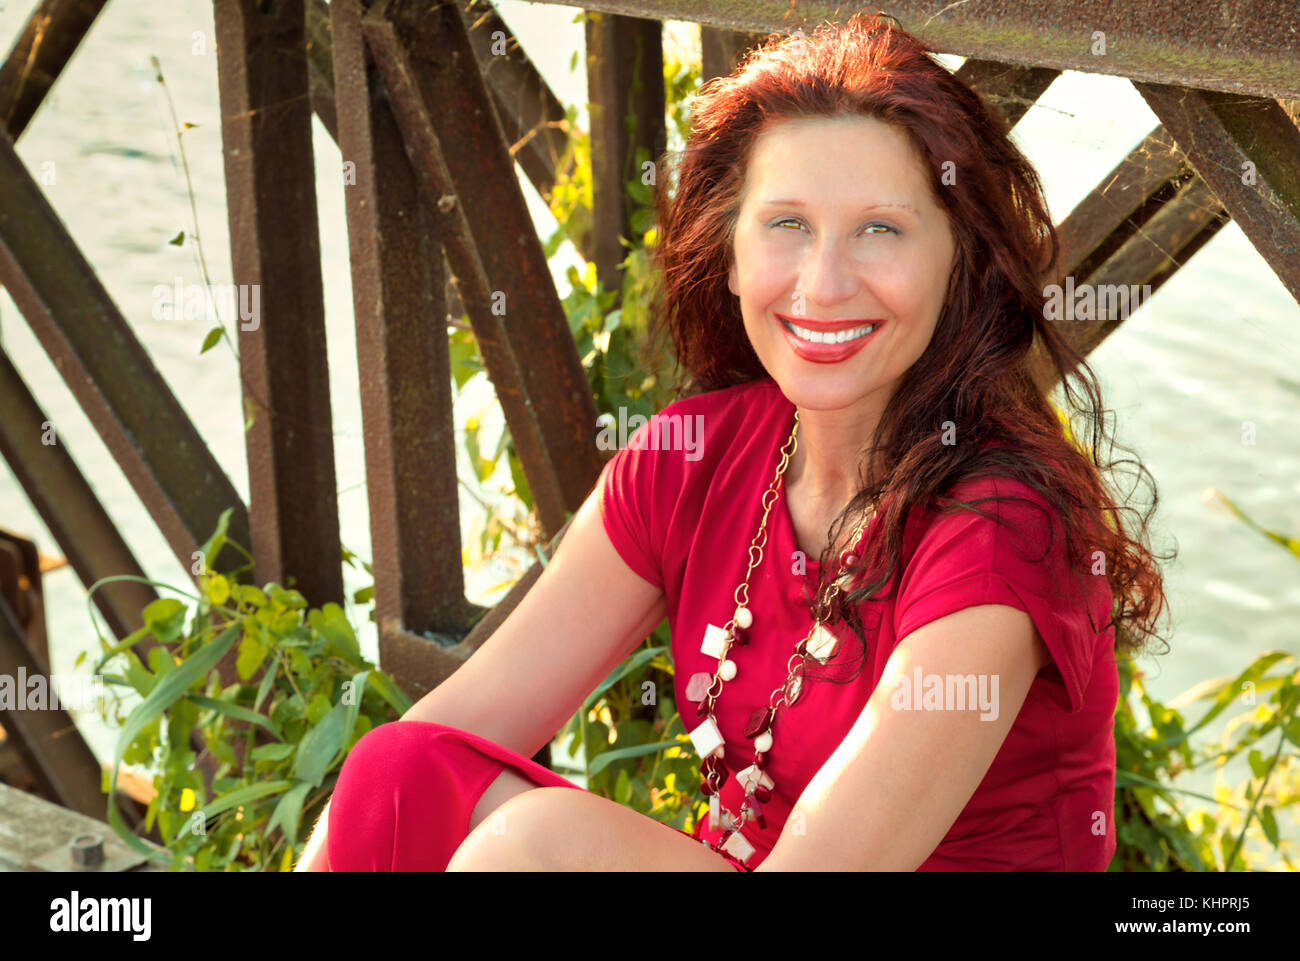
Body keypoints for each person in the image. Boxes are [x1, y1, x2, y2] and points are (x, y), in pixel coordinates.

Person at [299, 11, 1169, 872]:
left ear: (962, 262)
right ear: (729, 253)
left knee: (534, 847)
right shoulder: (697, 457)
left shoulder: (998, 531)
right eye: (786, 224)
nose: (823, 285)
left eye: (881, 229)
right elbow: (443, 738)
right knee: (399, 769)